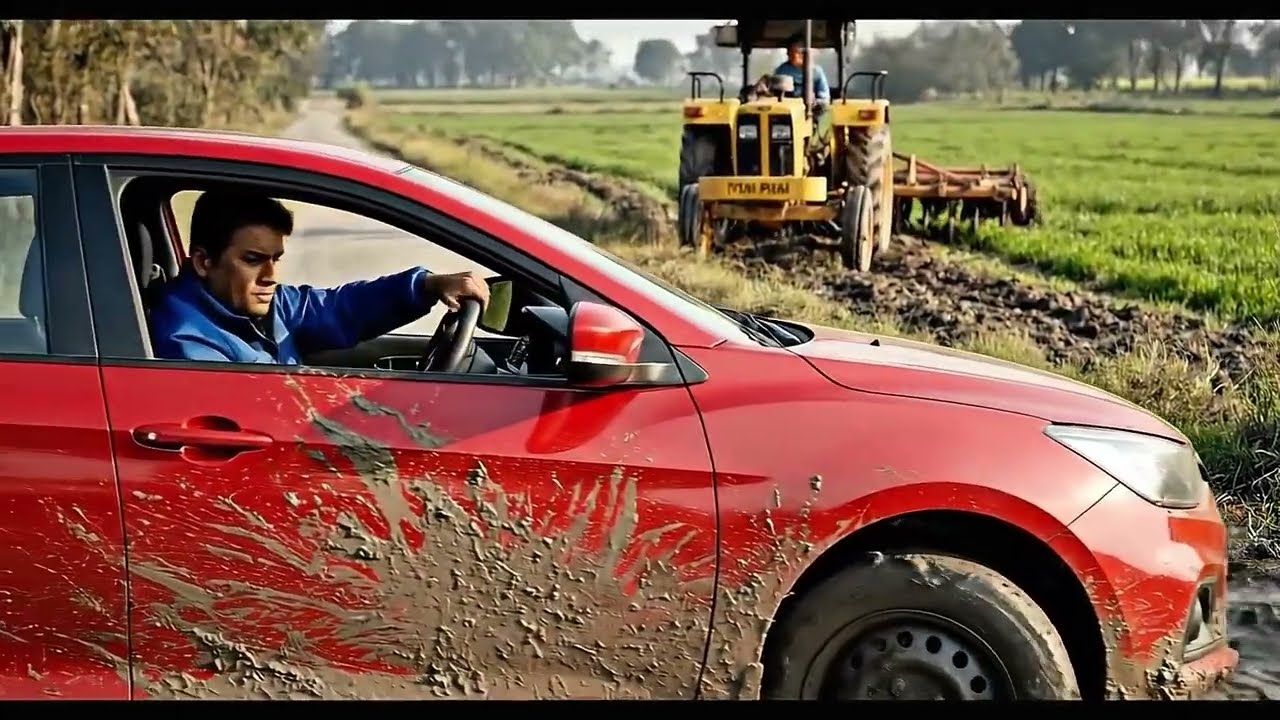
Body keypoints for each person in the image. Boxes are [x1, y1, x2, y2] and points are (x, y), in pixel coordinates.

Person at [148, 189, 490, 365]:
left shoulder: (258, 303)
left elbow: (339, 308)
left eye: (276, 260)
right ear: (205, 262)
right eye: (253, 260)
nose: (271, 276)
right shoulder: (186, 343)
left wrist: (426, 285)